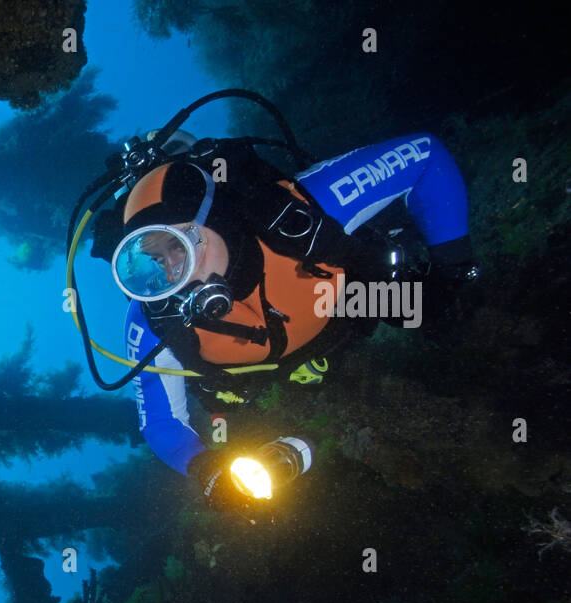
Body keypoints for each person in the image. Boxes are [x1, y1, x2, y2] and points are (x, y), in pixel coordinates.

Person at [105, 132, 476, 510]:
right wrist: (208, 470)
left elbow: (423, 155)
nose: (175, 273)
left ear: (216, 218)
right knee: (251, 457)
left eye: (182, 244)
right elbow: (160, 424)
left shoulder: (297, 211)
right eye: (156, 260)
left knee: (433, 311)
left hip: (350, 307)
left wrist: (454, 268)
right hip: (260, 388)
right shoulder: (155, 319)